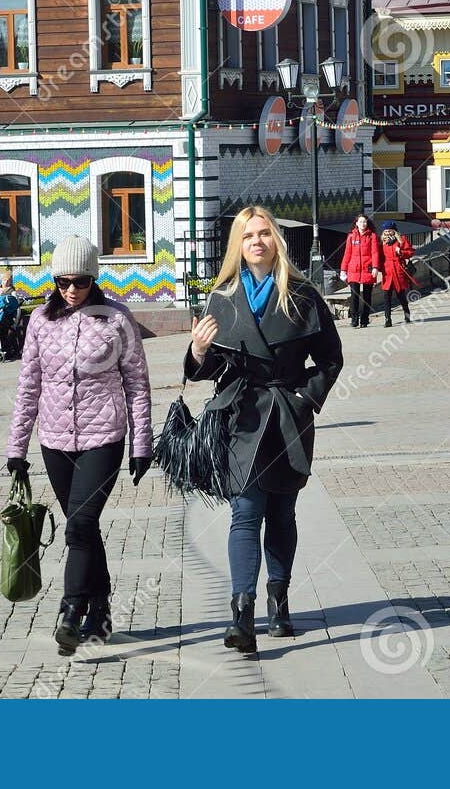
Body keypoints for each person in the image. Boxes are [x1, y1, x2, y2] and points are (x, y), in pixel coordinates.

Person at [186, 206, 343, 653]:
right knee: (244, 514)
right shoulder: (221, 296)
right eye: (248, 235)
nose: (257, 241)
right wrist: (198, 352)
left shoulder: (303, 295)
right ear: (238, 245)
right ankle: (241, 614)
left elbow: (331, 360)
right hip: (242, 419)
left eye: (264, 234)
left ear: (277, 240)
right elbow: (210, 366)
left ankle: (279, 602)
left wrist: (303, 397)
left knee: (281, 514)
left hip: (288, 419)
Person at [5, 235, 153, 656]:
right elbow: (28, 386)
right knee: (85, 527)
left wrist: (142, 444)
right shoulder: (40, 321)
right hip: (53, 442)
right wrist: (16, 449)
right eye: (63, 280)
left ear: (95, 278)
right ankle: (101, 610)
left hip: (104, 438)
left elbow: (137, 385)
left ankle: (71, 611)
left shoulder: (117, 320)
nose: (72, 289)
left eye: (82, 280)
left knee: (78, 526)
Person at [339, 214, 381, 328]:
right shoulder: (351, 236)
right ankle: (354, 319)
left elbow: (375, 253)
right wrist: (343, 269)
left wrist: (376, 267)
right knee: (354, 295)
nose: (363, 224)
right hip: (354, 269)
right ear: (356, 223)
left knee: (367, 296)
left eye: (365, 222)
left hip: (368, 268)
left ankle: (364, 319)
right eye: (361, 222)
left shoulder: (372, 236)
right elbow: (347, 253)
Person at [377, 221, 415, 326]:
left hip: (398, 271)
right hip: (387, 272)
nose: (388, 233)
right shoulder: (382, 243)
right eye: (386, 231)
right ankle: (387, 319)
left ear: (394, 231)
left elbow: (410, 252)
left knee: (401, 296)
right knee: (386, 297)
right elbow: (379, 257)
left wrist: (401, 252)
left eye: (390, 230)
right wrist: (378, 268)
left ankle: (407, 315)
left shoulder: (401, 239)